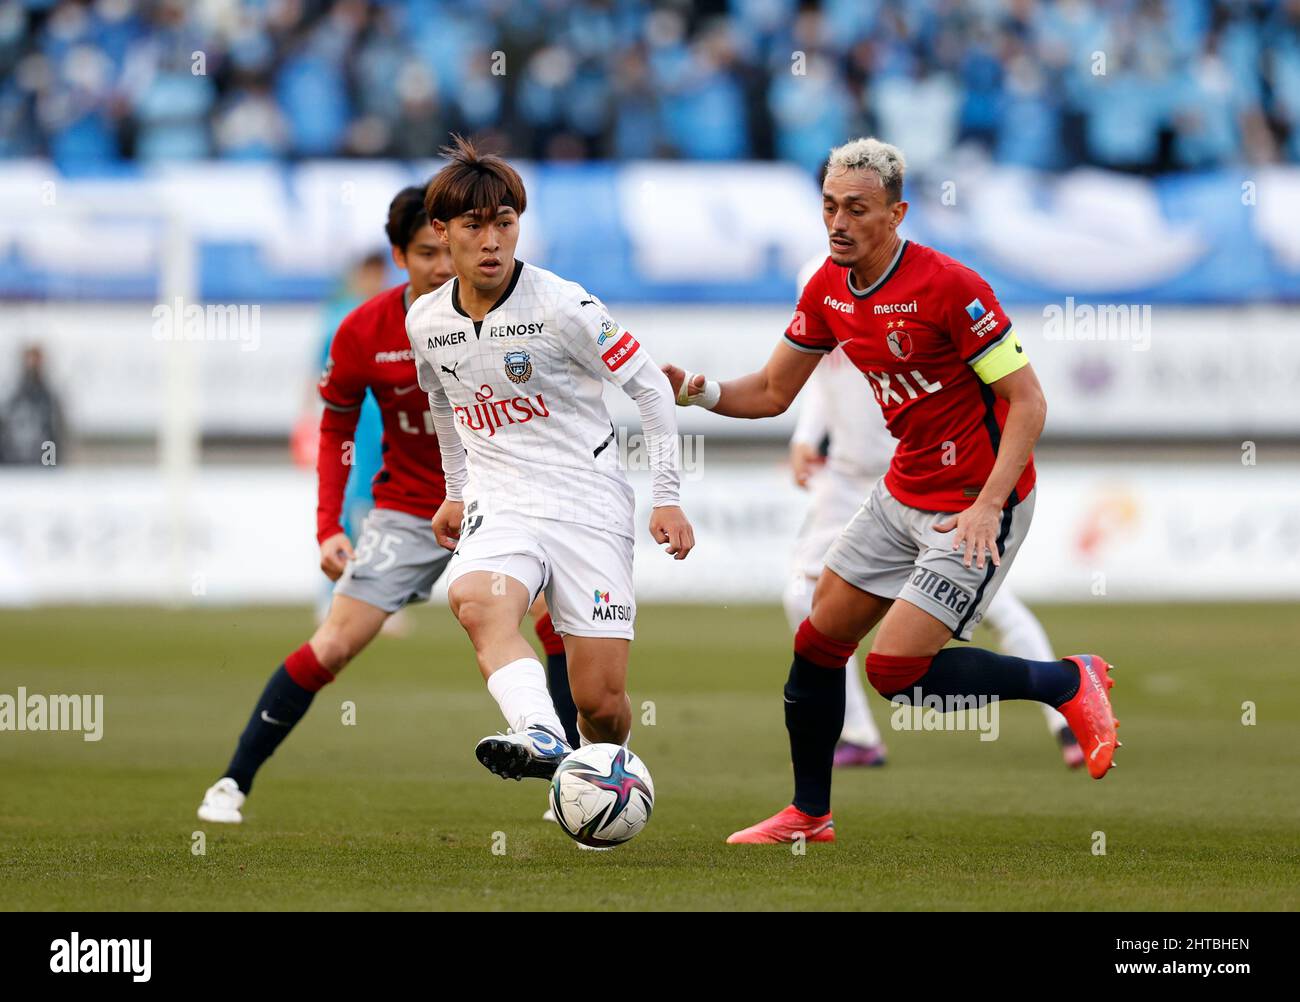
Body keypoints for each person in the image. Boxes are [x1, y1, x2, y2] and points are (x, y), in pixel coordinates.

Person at [665, 137, 1119, 845]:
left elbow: (1028, 403)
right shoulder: (824, 286)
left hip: (975, 499)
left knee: (896, 671)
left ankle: (1067, 682)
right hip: (902, 487)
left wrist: (987, 506)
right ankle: (809, 815)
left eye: (857, 209)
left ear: (897, 212)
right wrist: (704, 392)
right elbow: (774, 390)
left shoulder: (949, 287)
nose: (838, 223)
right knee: (817, 640)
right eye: (828, 207)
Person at [408, 136, 693, 786]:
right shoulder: (425, 321)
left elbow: (650, 387)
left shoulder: (565, 307)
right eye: (474, 226)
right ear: (441, 231)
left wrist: (668, 495)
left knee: (601, 702)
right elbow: (446, 408)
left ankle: (604, 773)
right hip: (501, 502)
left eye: (504, 225)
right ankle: (538, 729)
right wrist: (456, 491)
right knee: (478, 601)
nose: (491, 242)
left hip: (586, 503)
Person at [197, 186, 456, 824]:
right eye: (427, 252)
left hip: (504, 500)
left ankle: (581, 774)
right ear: (398, 255)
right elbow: (335, 430)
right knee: (334, 643)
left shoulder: (508, 313)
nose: (444, 266)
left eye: (451, 249)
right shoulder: (361, 330)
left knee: (540, 617)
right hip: (411, 507)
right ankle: (232, 783)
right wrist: (328, 529)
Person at [786, 257, 1083, 770]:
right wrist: (804, 437)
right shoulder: (821, 285)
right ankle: (857, 735)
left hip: (925, 481)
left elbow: (1019, 395)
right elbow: (815, 378)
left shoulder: (921, 297)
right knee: (804, 600)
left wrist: (981, 495)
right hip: (849, 482)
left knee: (992, 609)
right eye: (833, 204)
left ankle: (1065, 710)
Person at [0, 345, 64, 465]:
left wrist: (50, 465)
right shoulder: (11, 396)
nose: (32, 363)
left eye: (35, 359)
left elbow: (56, 435)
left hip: (40, 469)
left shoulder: (49, 398)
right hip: (11, 468)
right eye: (29, 359)